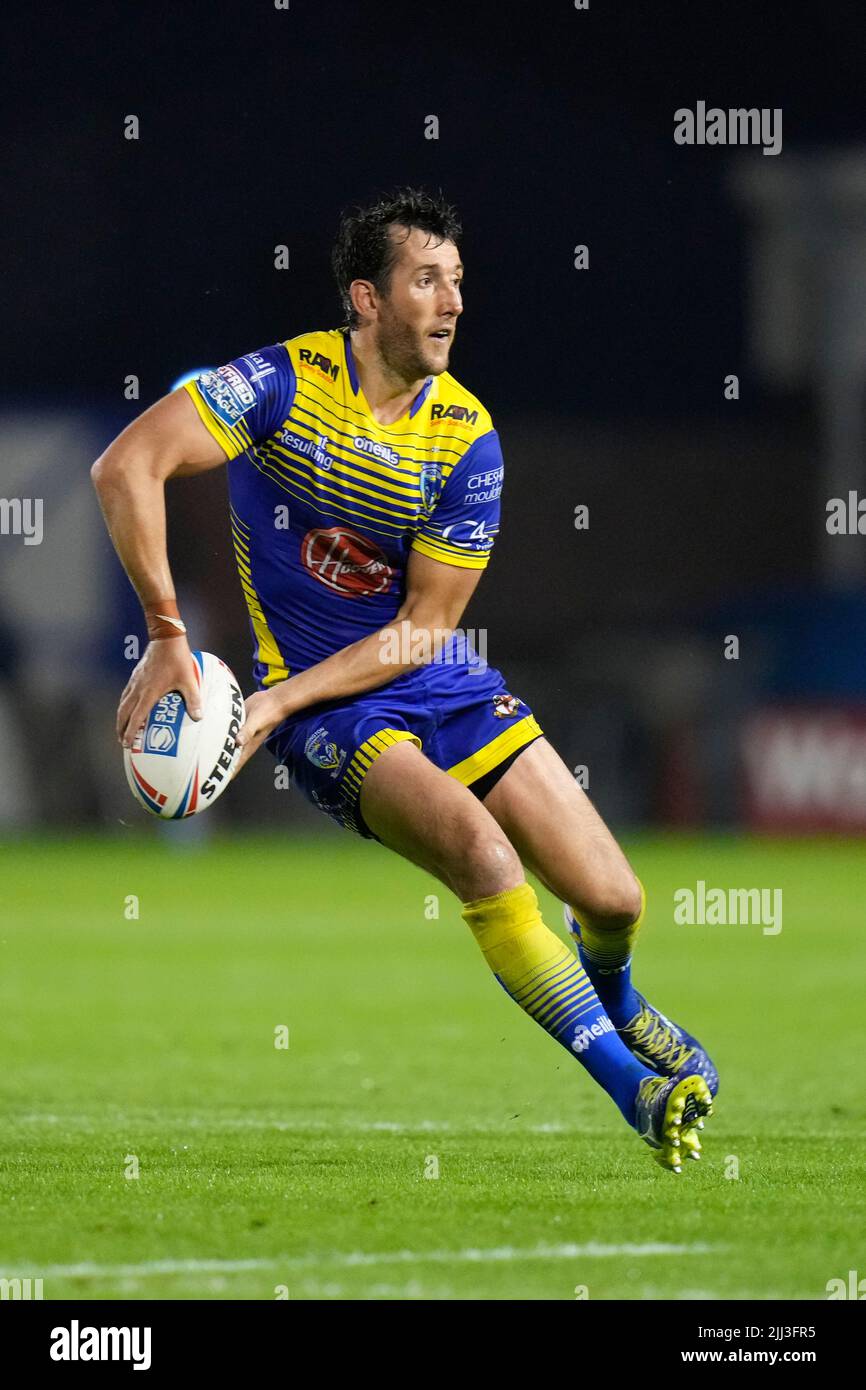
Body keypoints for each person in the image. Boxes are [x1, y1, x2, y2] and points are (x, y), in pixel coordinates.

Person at [92, 187, 717, 1172]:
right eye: (426, 279)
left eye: (458, 281)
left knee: (613, 897)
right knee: (481, 855)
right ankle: (633, 1090)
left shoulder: (466, 438)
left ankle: (621, 1000)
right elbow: (124, 466)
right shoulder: (281, 387)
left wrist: (271, 702)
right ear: (366, 299)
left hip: (431, 673)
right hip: (329, 711)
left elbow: (426, 628)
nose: (452, 301)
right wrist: (169, 634)